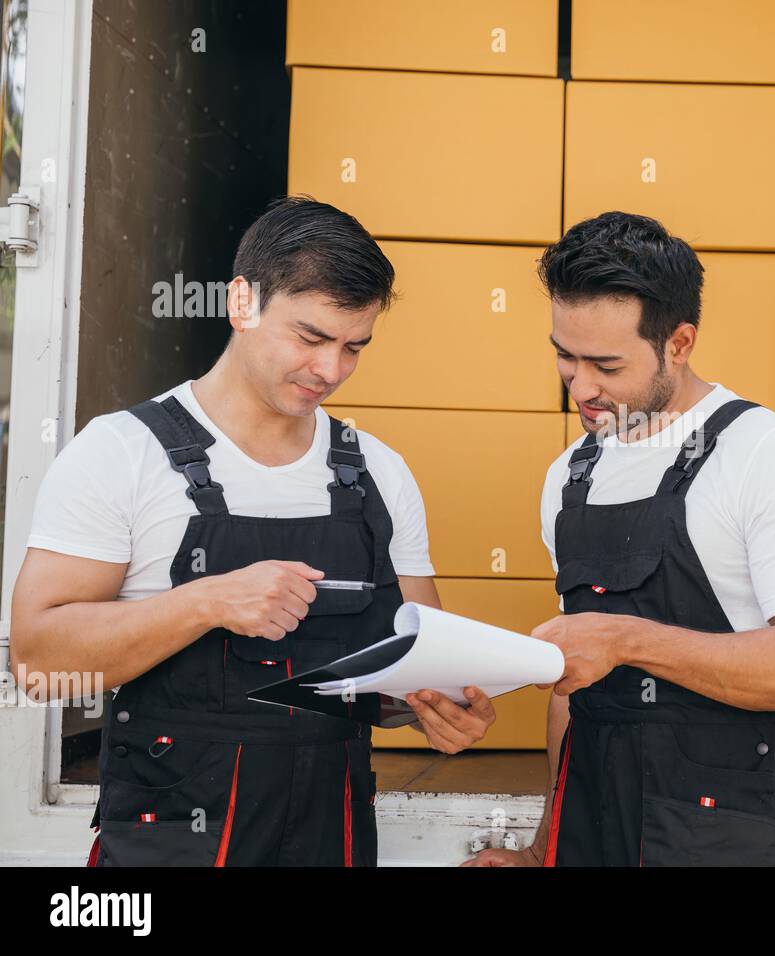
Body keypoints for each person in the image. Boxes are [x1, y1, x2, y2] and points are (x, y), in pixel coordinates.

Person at [9, 196, 496, 867]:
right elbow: (37, 666)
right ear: (241, 303)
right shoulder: (120, 453)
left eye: (355, 346)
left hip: (331, 838)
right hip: (169, 843)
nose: (331, 371)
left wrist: (432, 707)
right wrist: (204, 602)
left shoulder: (380, 473)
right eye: (311, 338)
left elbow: (410, 670)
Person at [465, 211, 775, 867]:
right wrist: (544, 848)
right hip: (592, 834)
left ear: (679, 342)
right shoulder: (571, 476)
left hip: (735, 837)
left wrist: (624, 640)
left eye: (606, 364)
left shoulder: (770, 456)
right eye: (564, 355)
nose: (581, 387)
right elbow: (572, 689)